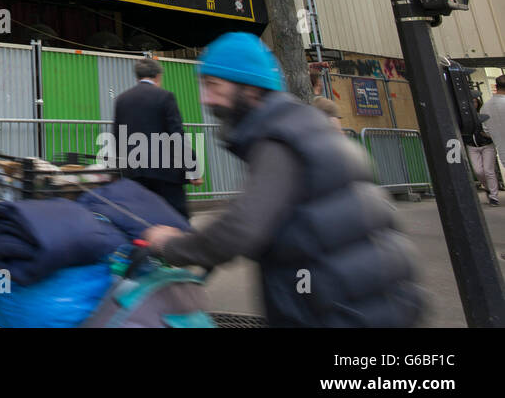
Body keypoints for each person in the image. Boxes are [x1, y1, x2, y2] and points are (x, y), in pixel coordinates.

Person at [143, 32, 423, 327]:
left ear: (250, 89)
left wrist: (171, 245)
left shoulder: (279, 141)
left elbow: (240, 230)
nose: (205, 98)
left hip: (340, 312)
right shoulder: (303, 124)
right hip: (366, 301)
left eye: (214, 86)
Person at [111, 57, 191, 219]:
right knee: (177, 218)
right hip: (165, 171)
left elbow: (117, 135)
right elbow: (176, 134)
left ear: (137, 76)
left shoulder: (122, 99)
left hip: (134, 171)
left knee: (143, 218)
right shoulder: (165, 96)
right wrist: (192, 167)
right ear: (158, 76)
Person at [463, 93, 498, 207]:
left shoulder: (484, 115)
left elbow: (493, 128)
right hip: (472, 146)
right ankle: (488, 188)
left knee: (489, 171)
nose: (474, 104)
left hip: (487, 145)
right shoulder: (464, 117)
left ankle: (494, 196)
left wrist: (489, 135)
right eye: (471, 102)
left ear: (478, 103)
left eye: (475, 102)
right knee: (478, 171)